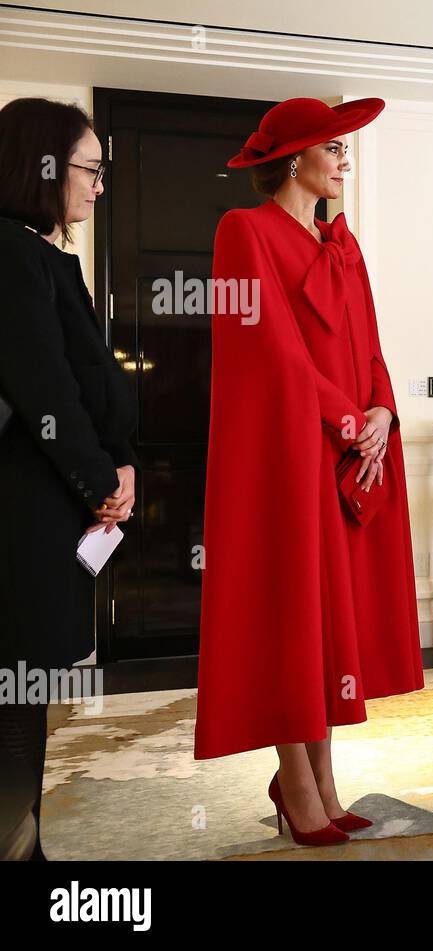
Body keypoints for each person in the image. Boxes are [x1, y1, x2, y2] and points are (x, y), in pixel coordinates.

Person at [194, 98, 425, 846]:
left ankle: (325, 780)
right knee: (291, 609)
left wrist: (384, 411)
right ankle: (297, 779)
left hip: (355, 451)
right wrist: (347, 419)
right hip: (293, 453)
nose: (344, 158)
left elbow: (371, 346)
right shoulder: (246, 231)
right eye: (333, 146)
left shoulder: (342, 242)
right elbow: (269, 351)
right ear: (294, 158)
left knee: (336, 616)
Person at [0, 98, 137, 861]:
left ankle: (27, 846)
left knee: (25, 697)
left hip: (52, 508)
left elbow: (90, 388)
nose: (98, 186)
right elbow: (44, 390)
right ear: (42, 166)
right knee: (13, 698)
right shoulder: (12, 255)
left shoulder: (46, 256)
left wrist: (120, 465)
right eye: (90, 170)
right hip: (22, 517)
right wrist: (100, 481)